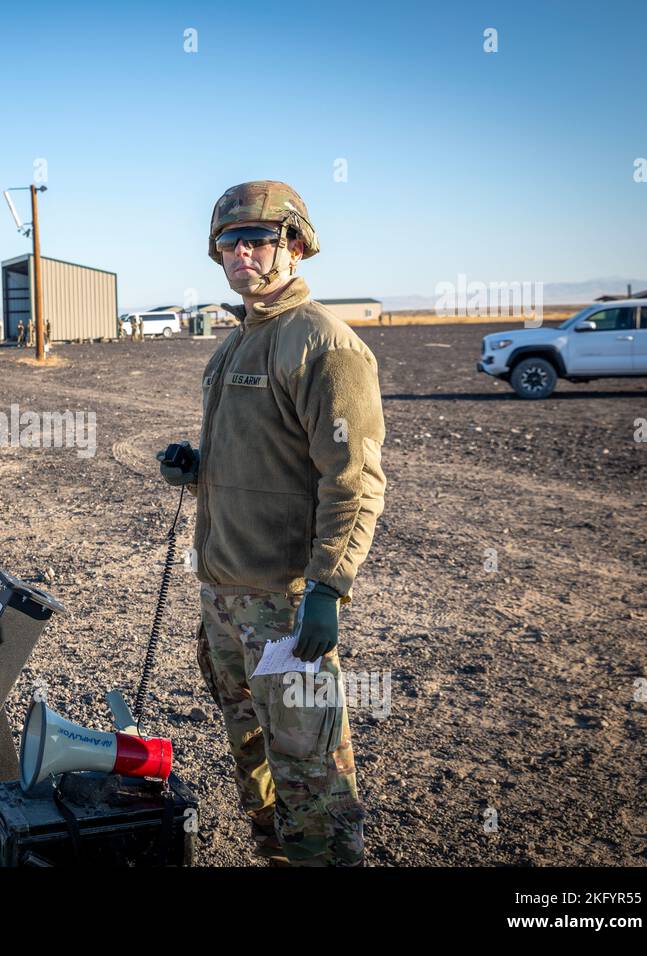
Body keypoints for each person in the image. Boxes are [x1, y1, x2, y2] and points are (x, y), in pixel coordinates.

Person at [157, 180, 386, 867]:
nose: (241, 253)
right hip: (224, 599)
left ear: (293, 243)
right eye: (229, 241)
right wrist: (195, 466)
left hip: (284, 607)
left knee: (312, 773)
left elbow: (353, 479)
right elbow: (267, 456)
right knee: (252, 756)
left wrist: (326, 590)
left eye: (257, 239)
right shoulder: (235, 344)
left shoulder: (322, 344)